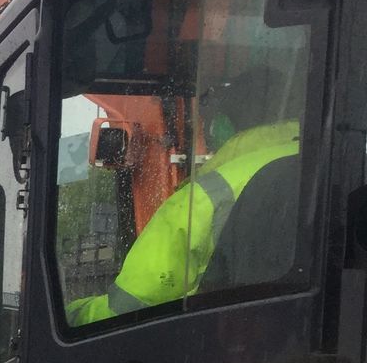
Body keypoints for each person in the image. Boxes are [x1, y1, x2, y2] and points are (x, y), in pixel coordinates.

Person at [66, 67, 300, 327]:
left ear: (224, 124)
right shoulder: (326, 165)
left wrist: (71, 318)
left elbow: (130, 309)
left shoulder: (202, 201)